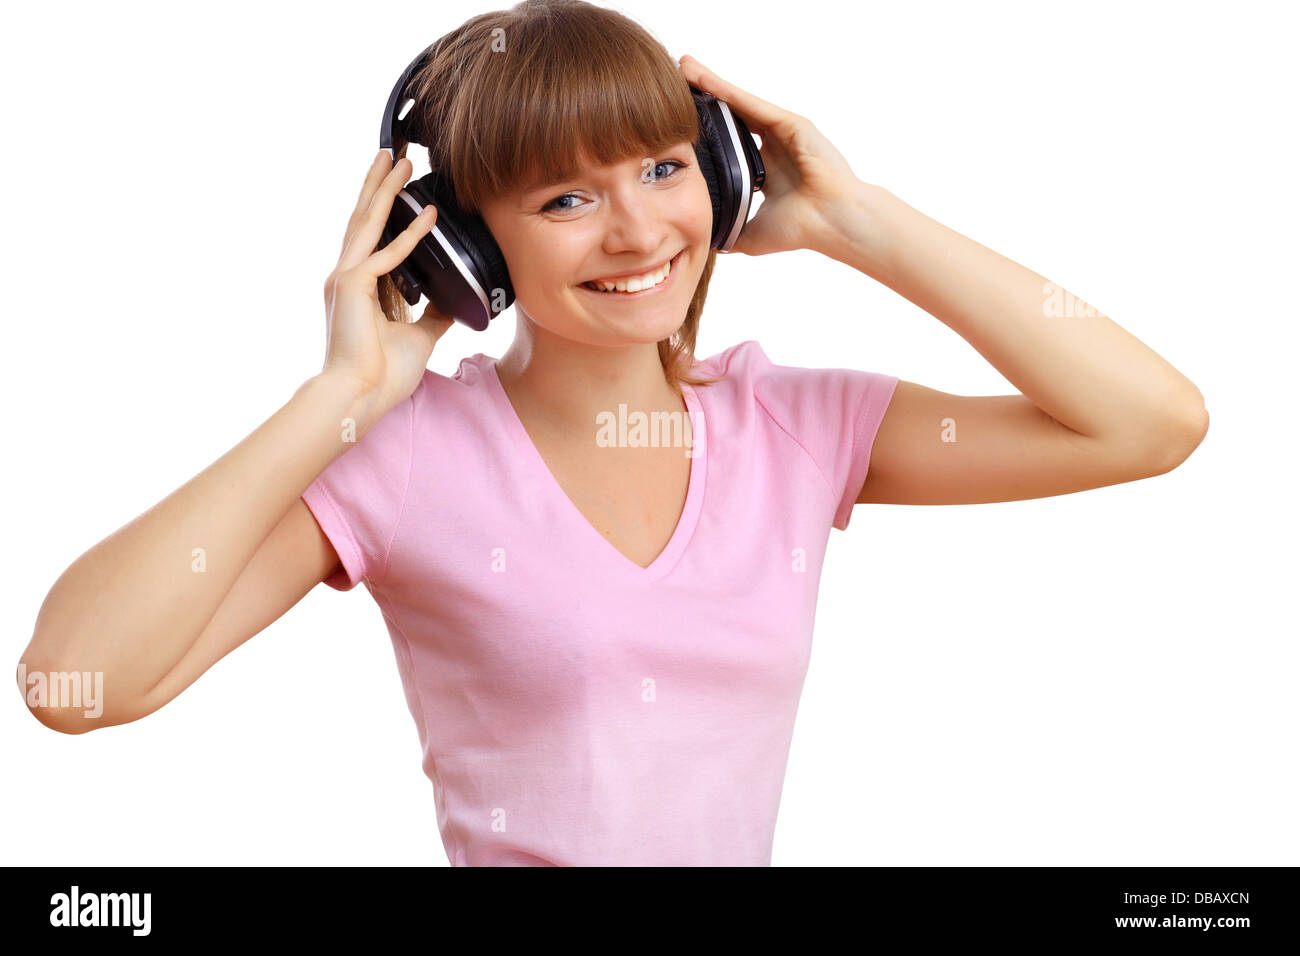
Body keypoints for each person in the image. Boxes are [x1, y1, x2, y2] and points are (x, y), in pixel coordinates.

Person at [17, 0, 1208, 866]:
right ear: (465, 245)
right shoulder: (403, 460)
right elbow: (77, 684)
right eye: (565, 199)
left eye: (663, 167)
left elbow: (1151, 423)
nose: (638, 232)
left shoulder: (791, 427)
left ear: (725, 177)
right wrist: (339, 396)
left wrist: (859, 220)